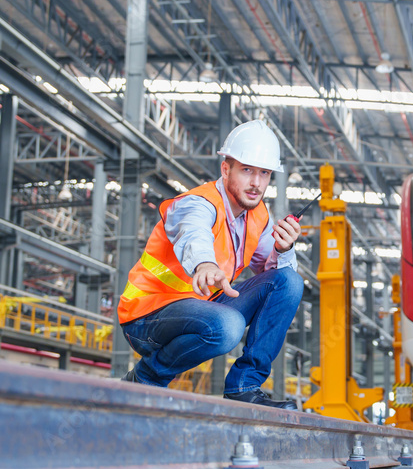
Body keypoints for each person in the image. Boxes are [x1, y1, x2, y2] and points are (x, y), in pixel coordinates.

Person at [117, 120, 304, 409]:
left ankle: (244, 385)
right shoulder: (199, 203)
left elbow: (274, 281)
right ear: (226, 169)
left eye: (264, 173)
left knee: (289, 281)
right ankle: (146, 379)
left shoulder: (258, 217)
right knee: (228, 326)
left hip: (202, 310)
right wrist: (204, 264)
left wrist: (284, 248)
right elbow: (194, 232)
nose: (256, 183)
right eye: (247, 170)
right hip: (147, 316)